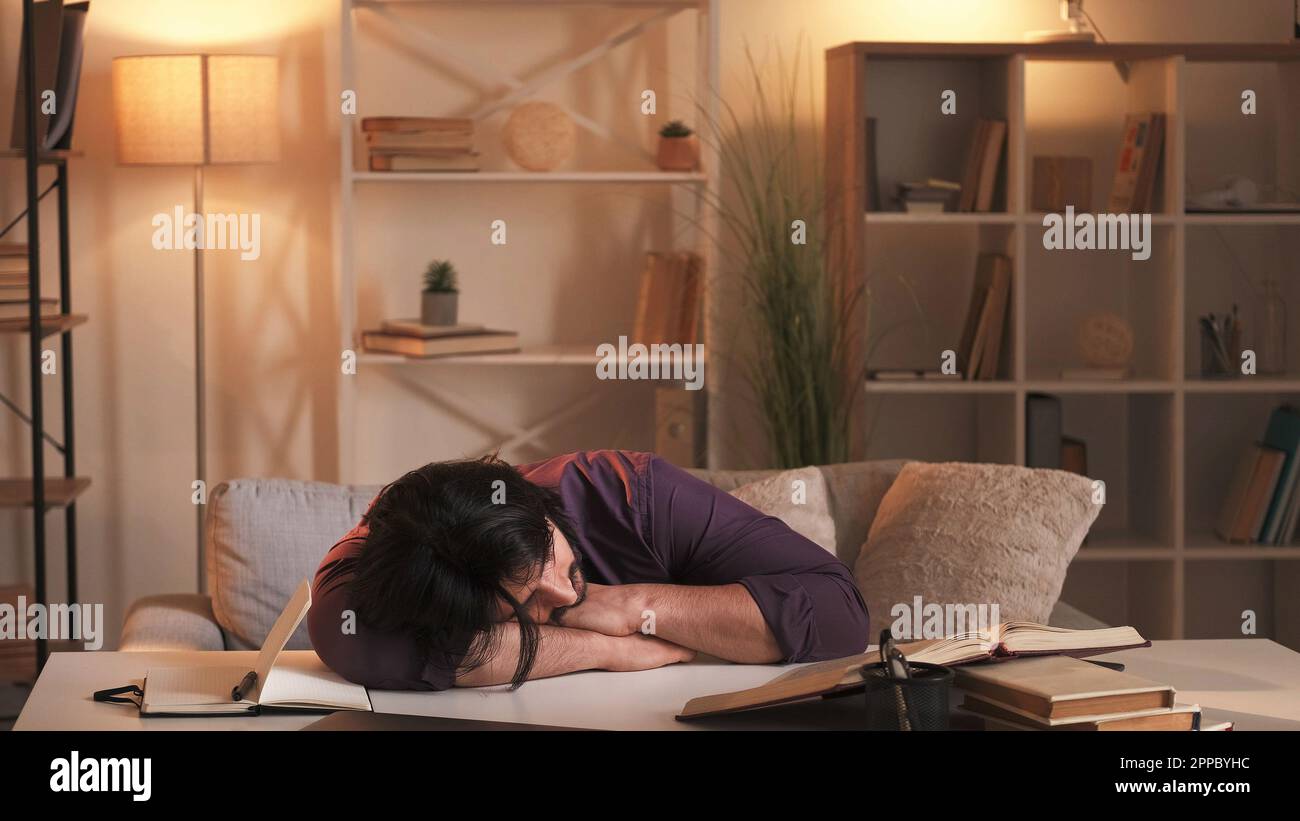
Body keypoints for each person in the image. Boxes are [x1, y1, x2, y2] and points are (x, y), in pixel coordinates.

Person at [308, 450, 870, 690]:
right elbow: (373, 649)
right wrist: (604, 649)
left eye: (552, 555)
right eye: (527, 605)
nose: (567, 593)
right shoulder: (366, 562)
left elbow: (840, 616)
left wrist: (636, 607)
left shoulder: (633, 492)